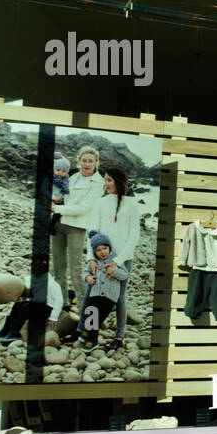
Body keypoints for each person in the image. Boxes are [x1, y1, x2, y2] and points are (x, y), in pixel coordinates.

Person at [82, 167, 140, 351]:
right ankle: (85, 330)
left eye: (109, 180)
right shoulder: (100, 204)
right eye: (104, 180)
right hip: (99, 256)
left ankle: (119, 337)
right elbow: (92, 231)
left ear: (118, 182)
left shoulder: (132, 205)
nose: (105, 184)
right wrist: (91, 258)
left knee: (120, 299)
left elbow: (134, 236)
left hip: (122, 259)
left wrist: (118, 260)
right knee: (89, 294)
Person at [50, 145, 101, 305]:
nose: (87, 164)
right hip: (58, 223)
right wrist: (55, 200)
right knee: (58, 267)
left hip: (76, 227)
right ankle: (62, 303)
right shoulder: (73, 177)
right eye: (84, 160)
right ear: (78, 162)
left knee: (75, 269)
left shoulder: (98, 182)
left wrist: (56, 207)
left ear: (96, 163)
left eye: (90, 161)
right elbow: (65, 196)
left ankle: (83, 305)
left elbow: (84, 208)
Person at [0, 253, 65, 342]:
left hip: (48, 308)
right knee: (18, 305)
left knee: (26, 308)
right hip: (39, 305)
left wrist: (53, 317)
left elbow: (59, 300)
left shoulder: (52, 283)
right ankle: (6, 329)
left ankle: (15, 332)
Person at [77, 234, 128, 349]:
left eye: (105, 248)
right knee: (90, 312)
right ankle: (88, 333)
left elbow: (125, 274)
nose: (102, 252)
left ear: (109, 248)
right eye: (98, 250)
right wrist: (88, 278)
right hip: (95, 293)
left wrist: (114, 271)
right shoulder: (94, 262)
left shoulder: (116, 260)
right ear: (94, 252)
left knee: (98, 317)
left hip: (109, 296)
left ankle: (92, 340)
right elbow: (85, 272)